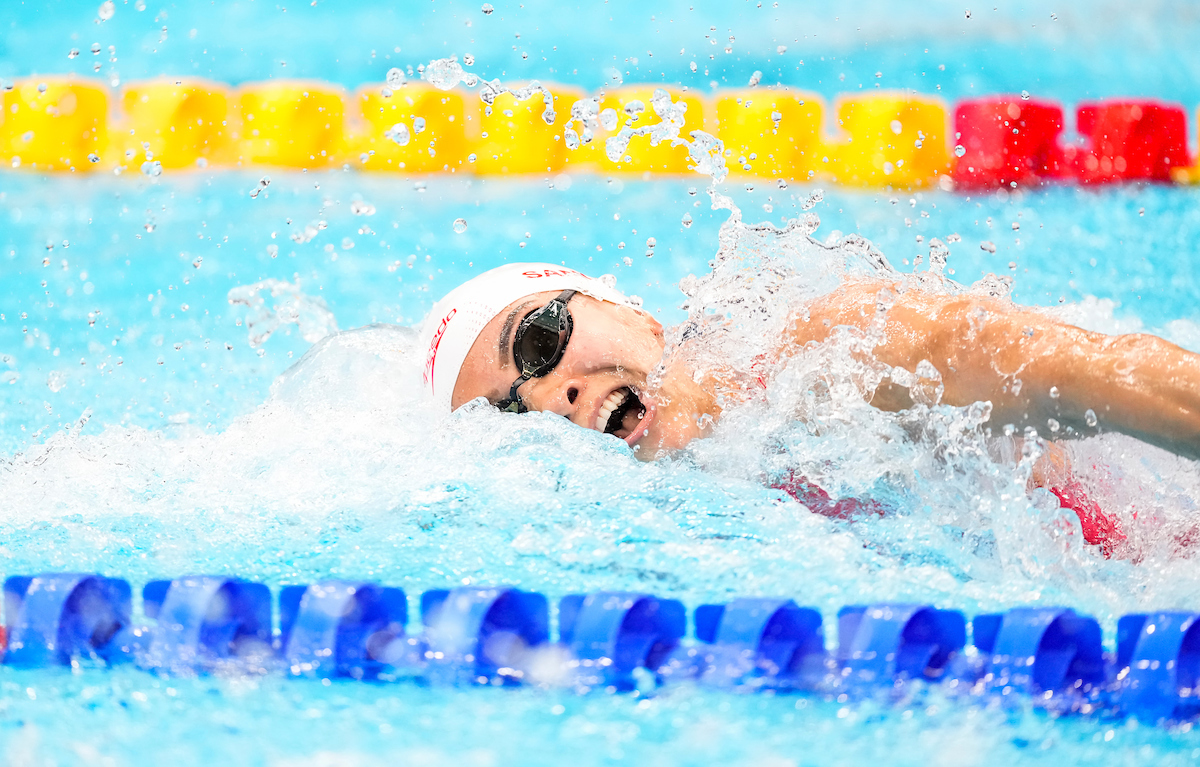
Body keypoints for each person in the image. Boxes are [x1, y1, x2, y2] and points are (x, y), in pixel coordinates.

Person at [418, 262, 1200, 557]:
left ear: (633, 315)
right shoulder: (659, 536)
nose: (556, 397)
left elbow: (1084, 371)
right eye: (508, 415)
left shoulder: (823, 359)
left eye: (540, 339)